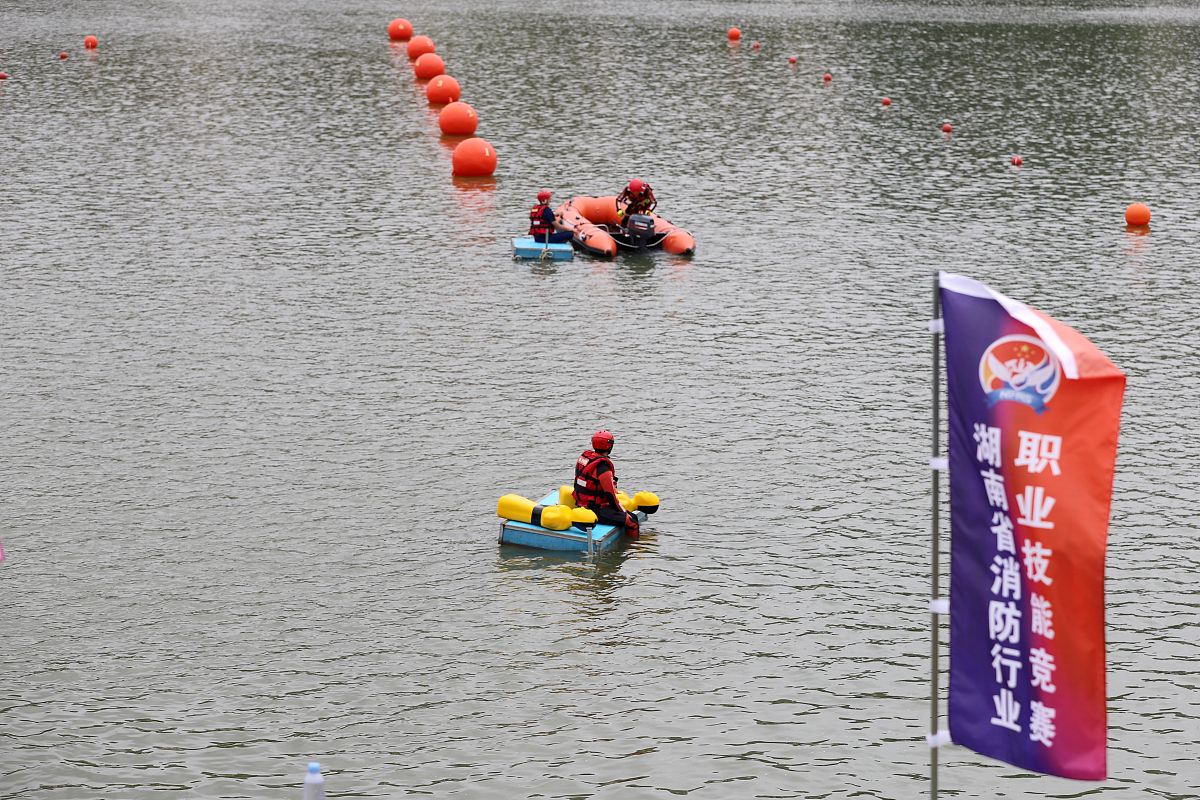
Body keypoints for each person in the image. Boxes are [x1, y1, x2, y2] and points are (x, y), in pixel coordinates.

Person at [572, 429, 640, 539]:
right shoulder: (603, 469)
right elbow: (611, 496)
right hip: (596, 509)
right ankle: (633, 549)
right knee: (632, 521)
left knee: (630, 517)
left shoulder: (587, 459)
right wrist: (623, 512)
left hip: (581, 503)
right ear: (609, 446)